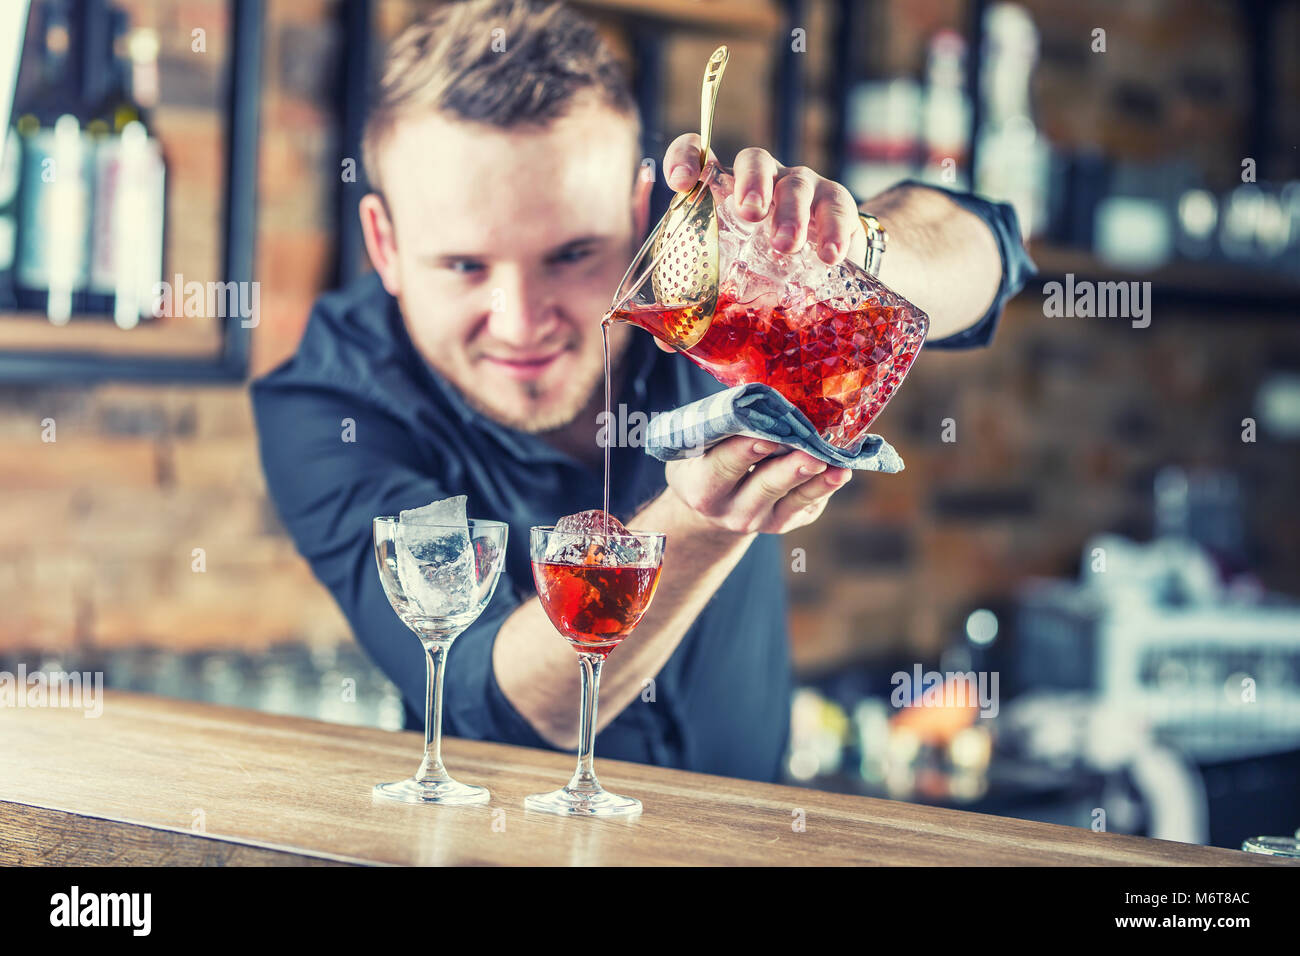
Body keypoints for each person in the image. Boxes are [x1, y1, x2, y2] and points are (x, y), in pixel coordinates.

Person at [252, 0, 1032, 782]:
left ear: (635, 211)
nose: (521, 322)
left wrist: (855, 249)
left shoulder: (705, 263)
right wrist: (702, 520)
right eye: (464, 266)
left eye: (573, 254)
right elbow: (493, 702)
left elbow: (991, 251)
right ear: (385, 245)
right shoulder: (331, 402)